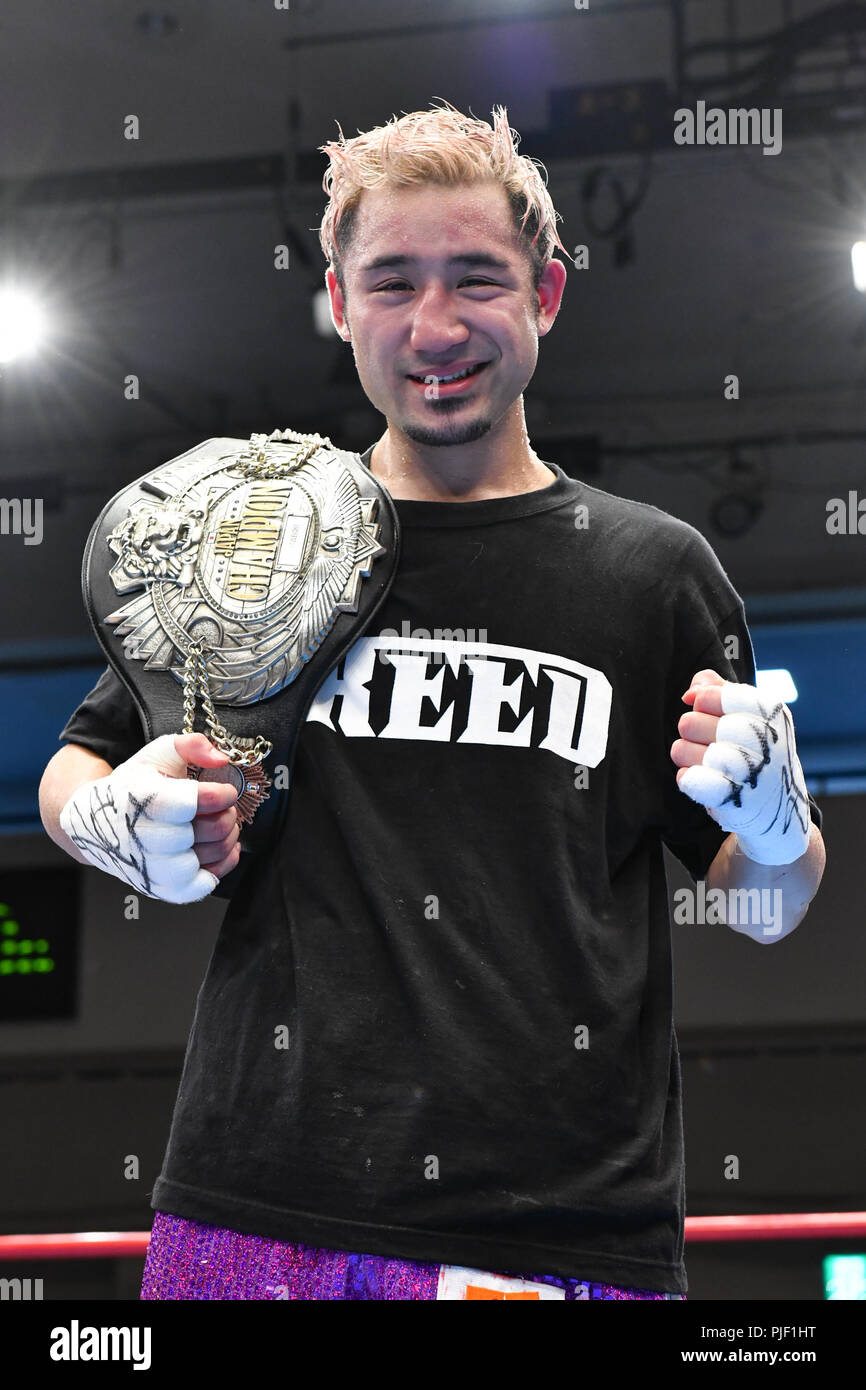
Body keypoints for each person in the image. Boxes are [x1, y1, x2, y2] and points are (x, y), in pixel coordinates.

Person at [39, 100, 826, 1301]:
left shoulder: (649, 569)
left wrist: (778, 829)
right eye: (393, 282)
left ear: (546, 295)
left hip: (556, 1227)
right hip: (261, 1206)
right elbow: (77, 764)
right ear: (341, 301)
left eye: (476, 279)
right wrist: (117, 822)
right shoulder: (265, 536)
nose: (436, 325)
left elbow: (765, 908)